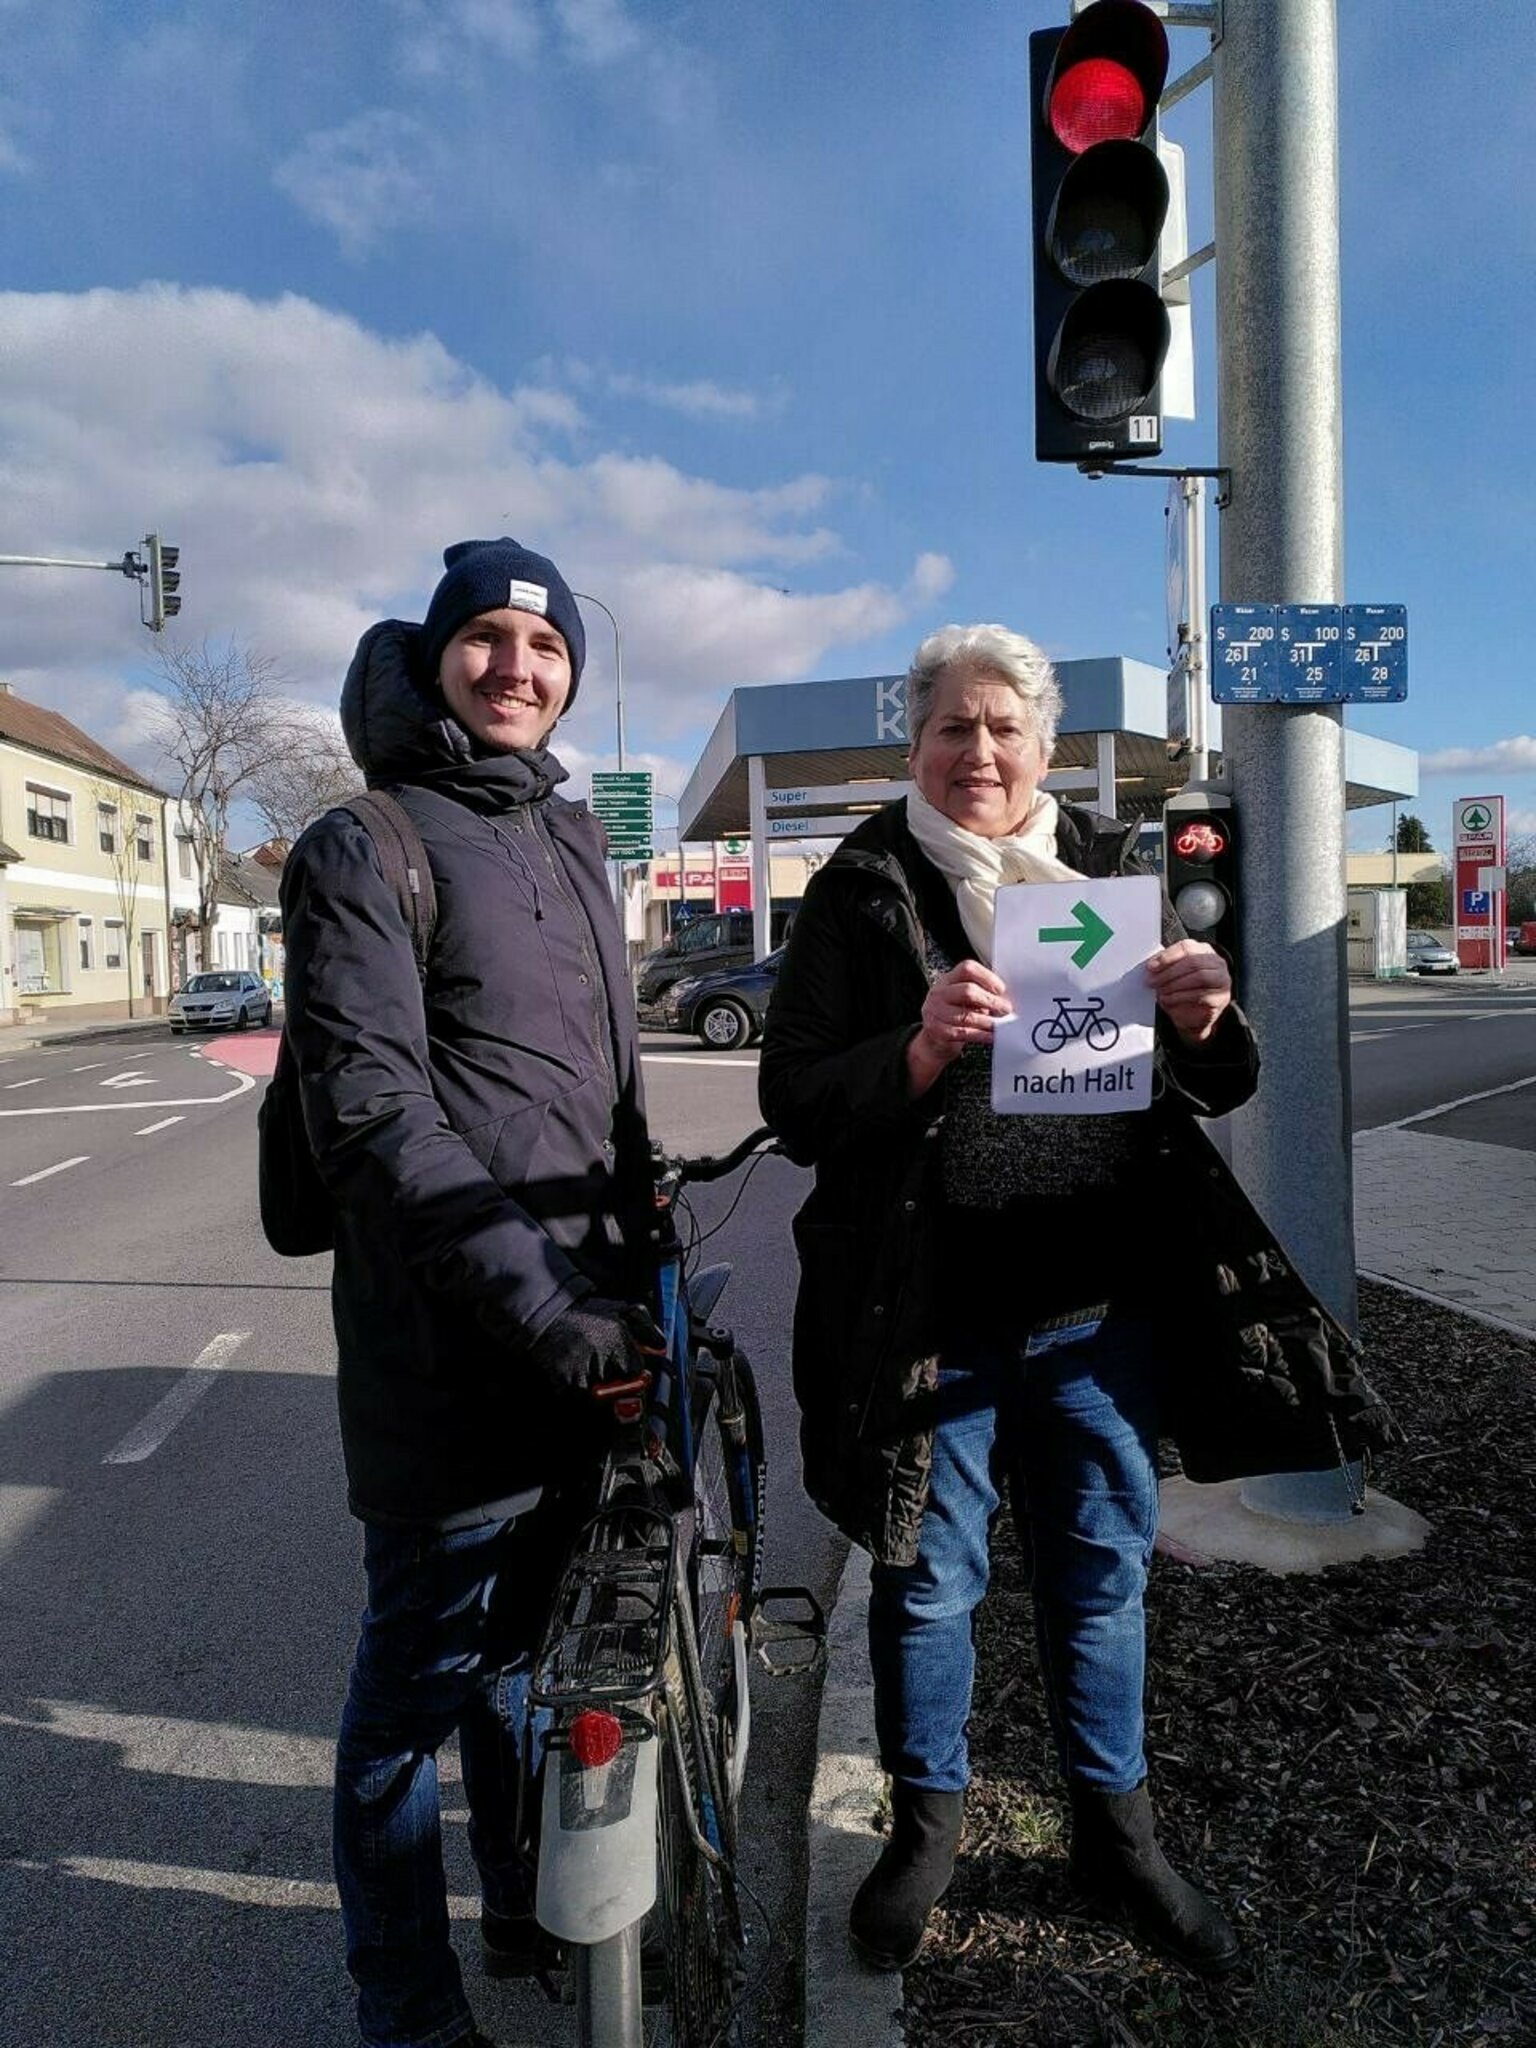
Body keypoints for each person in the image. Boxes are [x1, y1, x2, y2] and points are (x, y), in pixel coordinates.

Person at [758, 623, 1394, 1978]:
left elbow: (1215, 1089)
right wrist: (919, 1048)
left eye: (1004, 729)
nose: (978, 752)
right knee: (929, 1584)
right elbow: (797, 1102)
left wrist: (1210, 1017)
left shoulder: (1111, 871)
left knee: (1102, 1579)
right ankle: (923, 1831)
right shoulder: (863, 887)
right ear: (913, 743)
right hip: (927, 1314)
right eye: (952, 727)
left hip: (1096, 1313)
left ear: (1044, 746)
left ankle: (1117, 1838)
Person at [281, 539, 658, 2048]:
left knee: (528, 1658)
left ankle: (517, 1897)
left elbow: (612, 1104)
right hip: (448, 1353)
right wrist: (542, 1305)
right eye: (488, 637)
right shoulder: (362, 847)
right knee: (407, 1713)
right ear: (436, 655)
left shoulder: (573, 843)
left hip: (585, 1348)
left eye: (546, 644)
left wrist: (645, 1279)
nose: (519, 665)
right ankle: (408, 2008)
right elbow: (374, 1116)